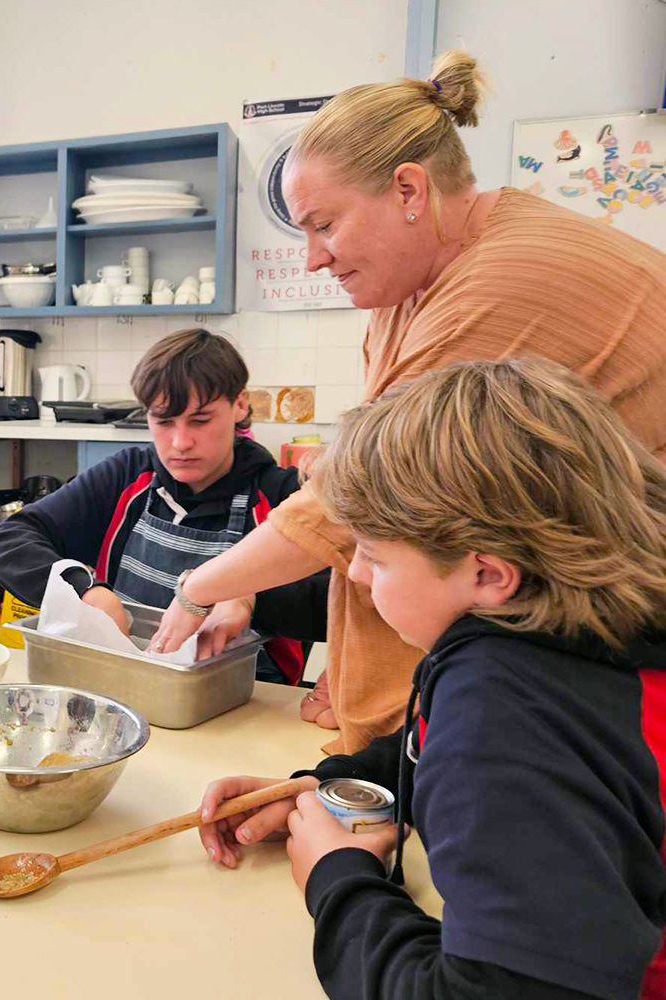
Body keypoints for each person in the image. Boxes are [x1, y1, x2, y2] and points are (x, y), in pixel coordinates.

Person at [149, 50, 666, 752]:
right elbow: (377, 510)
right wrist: (358, 666)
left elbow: (359, 495)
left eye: (324, 224)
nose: (312, 259)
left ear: (408, 190)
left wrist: (201, 586)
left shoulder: (498, 286)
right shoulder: (415, 281)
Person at [195, 359, 666, 999]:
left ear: (489, 575)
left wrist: (337, 878)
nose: (355, 574)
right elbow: (440, 746)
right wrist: (330, 789)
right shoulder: (581, 629)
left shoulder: (506, 713)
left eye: (375, 555)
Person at [0, 328, 326, 684]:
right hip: (127, 683)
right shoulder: (127, 476)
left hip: (250, 698)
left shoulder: (284, 496)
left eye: (200, 420)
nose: (180, 442)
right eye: (163, 421)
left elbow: (349, 596)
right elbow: (8, 542)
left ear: (239, 405)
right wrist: (86, 591)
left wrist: (249, 595)